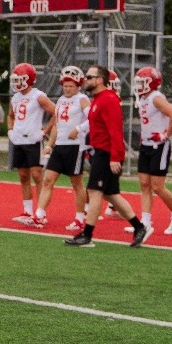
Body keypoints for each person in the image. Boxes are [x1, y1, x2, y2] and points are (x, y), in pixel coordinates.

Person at [64, 65, 150, 248]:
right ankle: (139, 227)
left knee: (94, 191)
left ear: (100, 80)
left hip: (106, 153)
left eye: (89, 76)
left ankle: (87, 235)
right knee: (110, 195)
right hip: (99, 152)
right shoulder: (97, 99)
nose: (86, 79)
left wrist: (115, 157)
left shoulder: (108, 100)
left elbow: (115, 131)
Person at [129, 67, 172, 237]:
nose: (138, 86)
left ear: (151, 83)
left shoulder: (156, 98)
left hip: (158, 146)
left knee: (157, 187)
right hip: (146, 145)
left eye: (141, 82)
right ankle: (145, 222)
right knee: (144, 185)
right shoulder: (145, 98)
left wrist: (165, 134)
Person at [35, 66, 90, 231]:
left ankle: (80, 218)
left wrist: (79, 129)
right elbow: (57, 125)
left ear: (78, 85)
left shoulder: (82, 99)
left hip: (75, 147)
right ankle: (39, 214)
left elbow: (94, 119)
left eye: (70, 85)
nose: (67, 88)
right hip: (60, 146)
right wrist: (49, 145)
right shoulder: (60, 100)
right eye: (65, 85)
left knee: (76, 183)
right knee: (47, 180)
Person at [8, 63, 57, 225]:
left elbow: (55, 113)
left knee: (37, 174)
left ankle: (41, 211)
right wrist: (10, 130)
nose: (16, 83)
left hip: (33, 140)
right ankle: (27, 210)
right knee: (23, 176)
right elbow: (11, 115)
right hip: (19, 140)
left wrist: (44, 131)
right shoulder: (15, 98)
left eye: (19, 79)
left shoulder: (38, 96)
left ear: (29, 79)